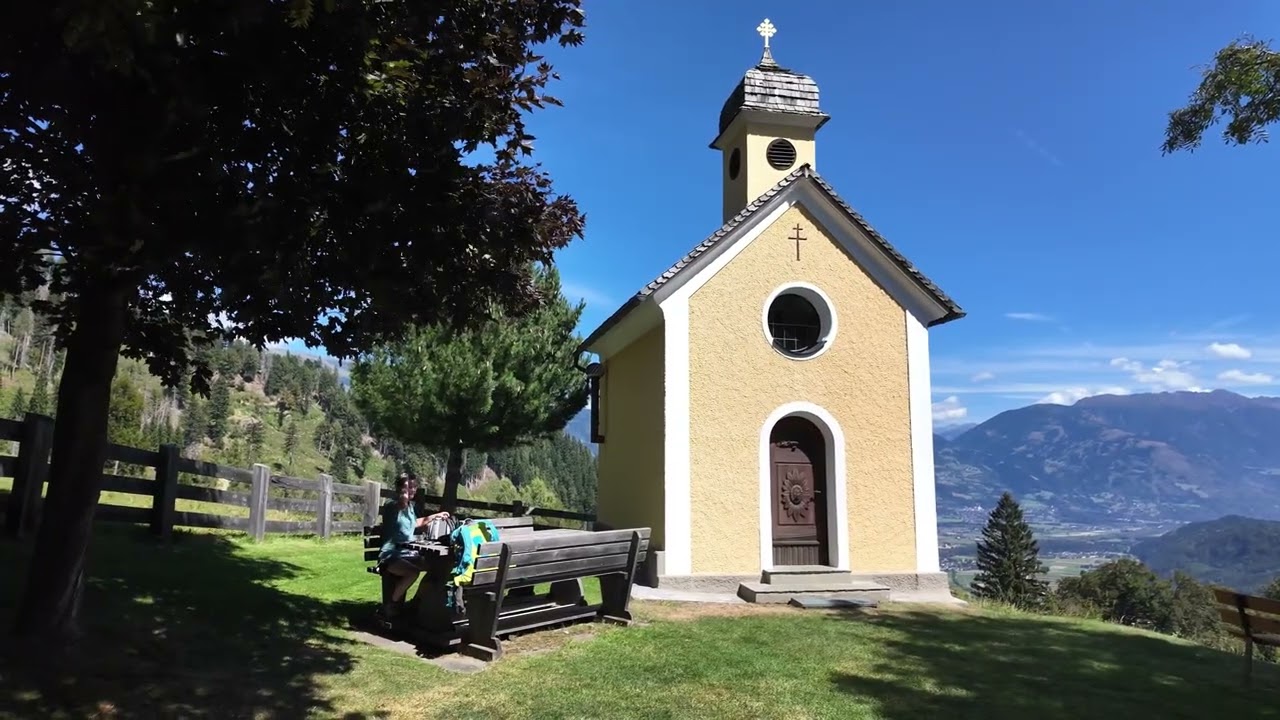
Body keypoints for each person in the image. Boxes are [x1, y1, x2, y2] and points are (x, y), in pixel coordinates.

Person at [377, 473, 450, 621]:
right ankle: (392, 604)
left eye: (414, 487)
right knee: (412, 573)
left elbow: (415, 523)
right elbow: (399, 506)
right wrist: (403, 498)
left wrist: (435, 516)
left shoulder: (411, 506)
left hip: (408, 554)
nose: (412, 490)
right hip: (390, 556)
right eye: (407, 487)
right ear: (399, 489)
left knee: (436, 568)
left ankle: (417, 602)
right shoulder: (392, 505)